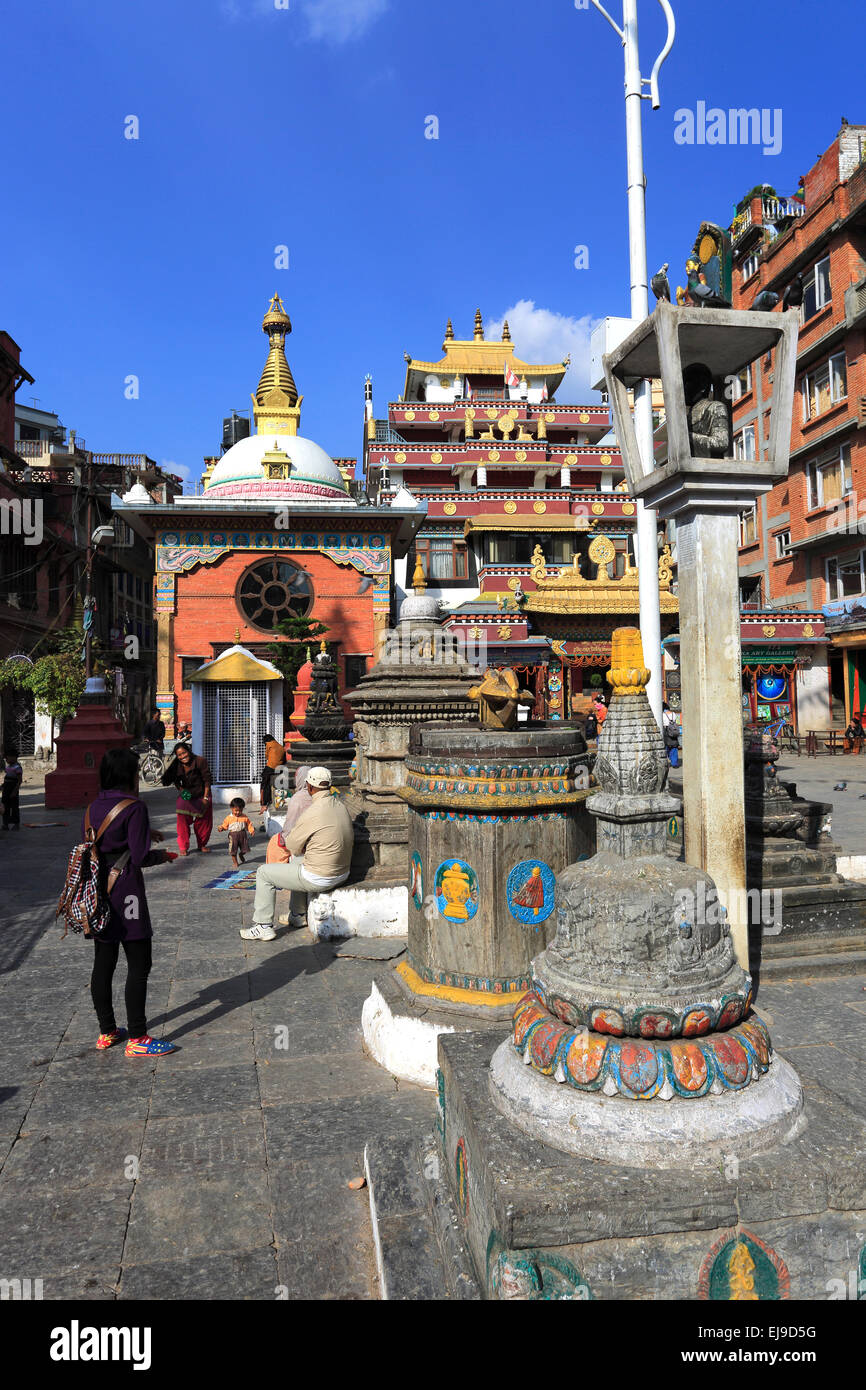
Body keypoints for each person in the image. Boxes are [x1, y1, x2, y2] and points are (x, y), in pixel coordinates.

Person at [84, 747, 177, 1056]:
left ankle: (107, 1031)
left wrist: (146, 833)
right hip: (127, 894)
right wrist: (164, 855)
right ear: (129, 774)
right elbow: (138, 857)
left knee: (104, 963)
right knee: (139, 964)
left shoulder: (93, 807)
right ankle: (138, 1037)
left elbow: (105, 842)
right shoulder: (135, 806)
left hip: (98, 893)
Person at [244, 766, 353, 942]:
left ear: (309, 787)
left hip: (321, 877)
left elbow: (292, 845)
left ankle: (263, 926)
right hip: (342, 873)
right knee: (297, 862)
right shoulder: (339, 804)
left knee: (264, 873)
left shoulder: (313, 811)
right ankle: (298, 914)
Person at [161, 742, 213, 854]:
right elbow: (175, 781)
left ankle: (202, 844)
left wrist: (206, 798)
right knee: (182, 818)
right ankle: (183, 846)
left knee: (204, 821)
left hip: (203, 792)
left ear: (188, 751)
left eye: (184, 753)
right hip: (187, 793)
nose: (183, 756)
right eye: (179, 755)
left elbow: (207, 781)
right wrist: (182, 791)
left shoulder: (200, 761)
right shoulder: (177, 765)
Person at [218, 798, 256, 868]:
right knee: (233, 850)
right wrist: (221, 828)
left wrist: (251, 830)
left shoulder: (244, 817)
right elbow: (225, 825)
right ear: (231, 808)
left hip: (243, 834)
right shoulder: (228, 818)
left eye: (240, 810)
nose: (238, 812)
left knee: (245, 849)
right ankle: (235, 862)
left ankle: (241, 854)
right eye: (236, 810)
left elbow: (249, 824)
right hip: (233, 835)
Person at [259, 734, 287, 814]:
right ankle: (272, 800)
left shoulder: (269, 744)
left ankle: (263, 804)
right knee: (273, 784)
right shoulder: (280, 746)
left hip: (270, 767)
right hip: (279, 769)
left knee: (264, 785)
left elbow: (267, 756)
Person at [1, 749, 23, 831]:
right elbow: (7, 779)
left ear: (13, 757)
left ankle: (16, 824)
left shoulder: (17, 768)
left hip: (13, 789)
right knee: (5, 807)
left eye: (7, 758)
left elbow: (19, 781)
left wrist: (14, 791)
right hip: (6, 790)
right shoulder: (8, 767)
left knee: (14, 807)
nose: (6, 760)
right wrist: (3, 786)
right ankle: (5, 824)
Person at [663, 701, 680, 766]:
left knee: (666, 747)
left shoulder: (663, 715)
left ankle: (667, 761)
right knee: (674, 747)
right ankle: (674, 763)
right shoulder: (674, 714)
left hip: (666, 732)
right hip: (674, 732)